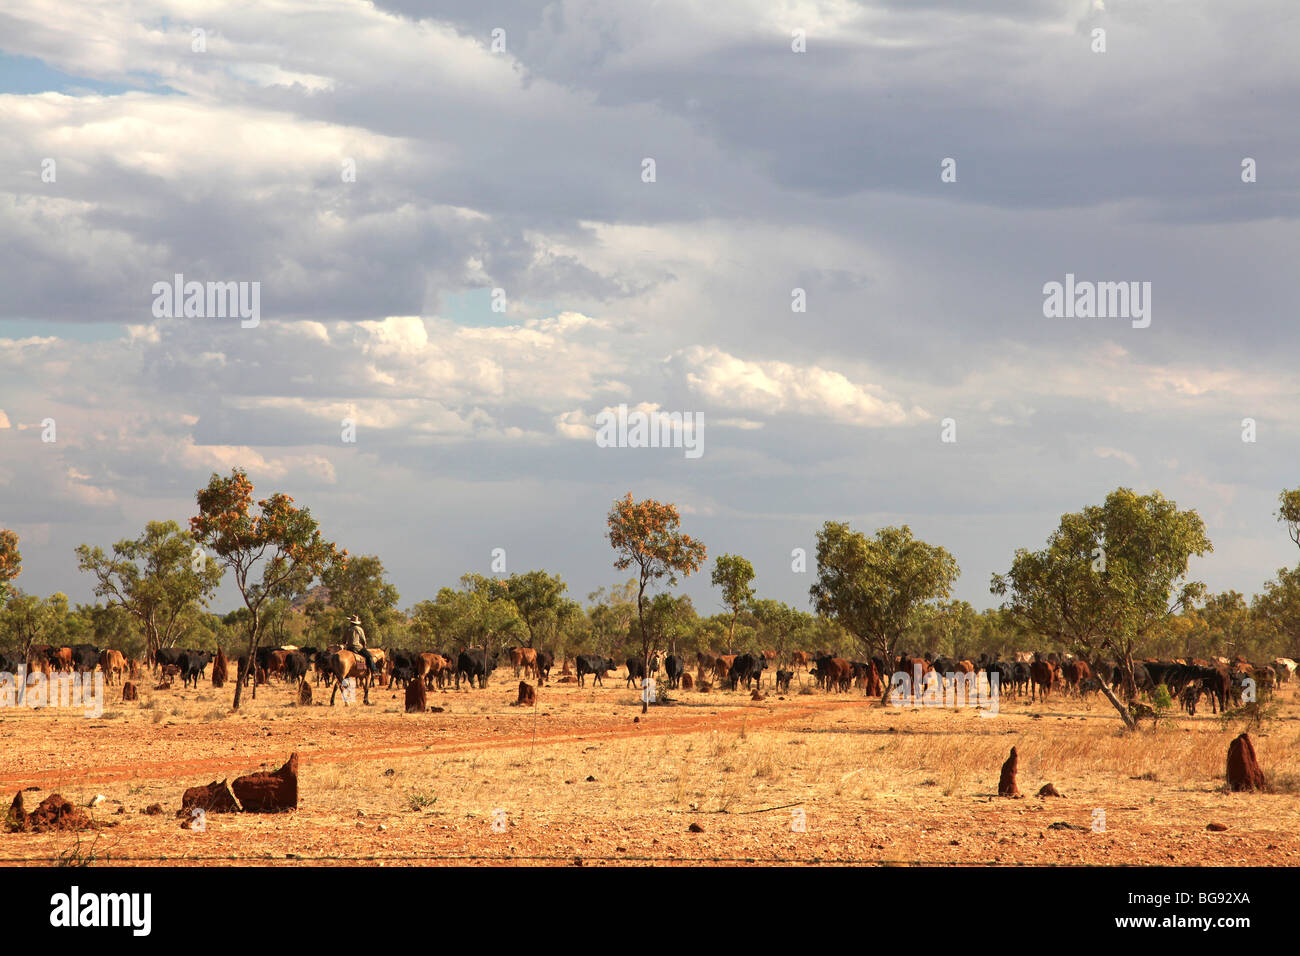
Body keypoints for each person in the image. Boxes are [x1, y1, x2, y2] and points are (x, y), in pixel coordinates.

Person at [342, 614, 377, 680]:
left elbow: (343, 640)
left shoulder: (347, 629)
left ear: (351, 622)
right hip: (357, 647)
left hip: (349, 648)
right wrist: (364, 645)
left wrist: (345, 644)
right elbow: (363, 639)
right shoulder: (359, 629)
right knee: (369, 656)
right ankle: (374, 670)